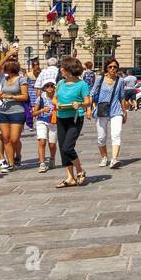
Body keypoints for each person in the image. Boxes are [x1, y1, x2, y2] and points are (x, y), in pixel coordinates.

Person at [53, 56, 90, 187]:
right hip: (61, 117)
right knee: (62, 148)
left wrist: (79, 104)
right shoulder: (60, 83)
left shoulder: (82, 84)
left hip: (75, 118)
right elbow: (54, 99)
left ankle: (80, 170)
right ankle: (70, 177)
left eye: (63, 67)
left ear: (70, 69)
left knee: (68, 147)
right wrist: (56, 104)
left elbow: (87, 102)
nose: (61, 69)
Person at [0, 58, 30, 174]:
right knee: (6, 138)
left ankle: (18, 154)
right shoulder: (4, 79)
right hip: (4, 111)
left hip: (17, 111)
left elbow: (25, 96)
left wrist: (11, 97)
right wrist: (0, 95)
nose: (3, 69)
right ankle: (11, 163)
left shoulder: (21, 79)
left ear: (10, 68)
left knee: (14, 139)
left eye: (5, 67)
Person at [91, 57, 126, 169]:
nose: (112, 69)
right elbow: (92, 94)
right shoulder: (99, 79)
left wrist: (124, 112)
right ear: (106, 68)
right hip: (102, 110)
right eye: (110, 67)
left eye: (115, 67)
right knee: (101, 137)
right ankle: (104, 157)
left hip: (116, 110)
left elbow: (122, 97)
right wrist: (88, 109)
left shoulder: (120, 81)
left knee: (116, 134)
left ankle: (114, 159)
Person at [32, 82, 57, 172]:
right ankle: (42, 163)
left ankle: (52, 158)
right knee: (42, 141)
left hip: (54, 122)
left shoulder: (57, 97)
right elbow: (34, 113)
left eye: (52, 86)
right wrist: (42, 110)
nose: (50, 88)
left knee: (52, 144)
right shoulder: (40, 98)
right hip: (41, 120)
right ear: (44, 89)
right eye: (47, 86)